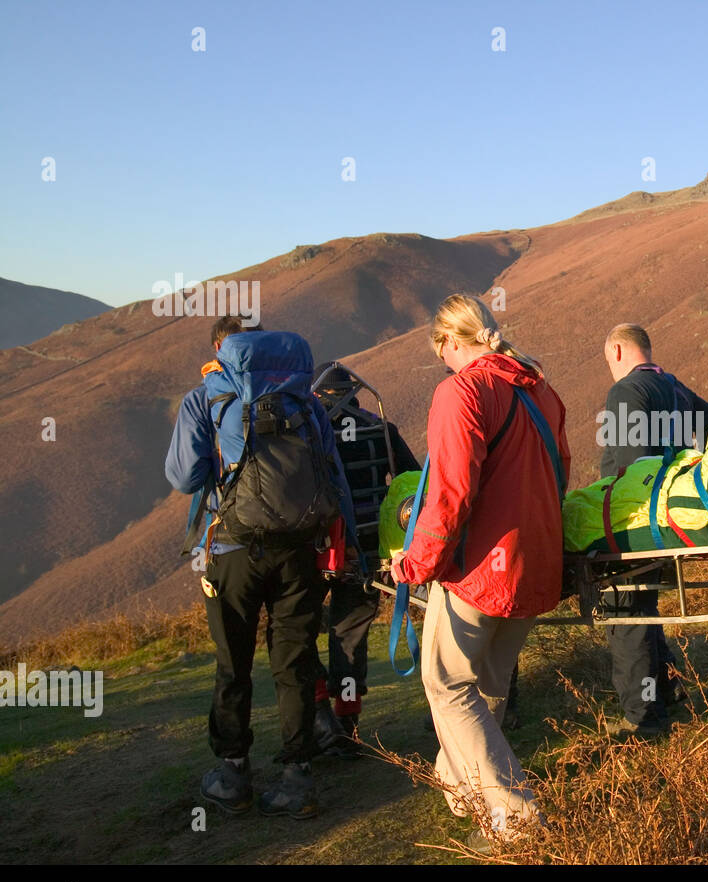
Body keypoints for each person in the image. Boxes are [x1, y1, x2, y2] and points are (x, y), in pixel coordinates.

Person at [390, 293, 568, 850]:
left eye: (438, 348)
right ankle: (461, 790)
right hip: (538, 561)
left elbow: (449, 493)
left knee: (445, 684)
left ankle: (516, 820)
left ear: (447, 342)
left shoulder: (461, 391)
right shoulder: (540, 388)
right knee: (485, 686)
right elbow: (561, 470)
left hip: (481, 571)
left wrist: (417, 562)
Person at [165, 316, 353, 819]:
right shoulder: (304, 399)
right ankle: (298, 778)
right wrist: (346, 543)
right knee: (293, 664)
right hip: (299, 551)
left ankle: (233, 772)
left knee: (234, 662)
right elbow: (332, 474)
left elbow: (184, 478)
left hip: (233, 551)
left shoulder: (205, 398)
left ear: (219, 350)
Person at [598, 323, 708, 735]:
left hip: (631, 520)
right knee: (644, 607)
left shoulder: (627, 392)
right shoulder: (676, 388)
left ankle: (643, 720)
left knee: (625, 608)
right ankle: (666, 694)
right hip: (669, 519)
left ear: (617, 350)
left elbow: (629, 467)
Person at [311, 363, 419, 752]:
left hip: (320, 551)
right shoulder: (382, 430)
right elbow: (414, 483)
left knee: (297, 630)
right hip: (372, 554)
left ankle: (320, 711)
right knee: (350, 637)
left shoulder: (311, 435)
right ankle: (347, 723)